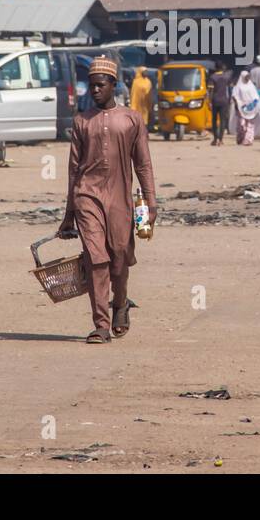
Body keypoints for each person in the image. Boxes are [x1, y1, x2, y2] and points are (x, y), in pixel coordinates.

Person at [57, 56, 158, 344]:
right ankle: (100, 324)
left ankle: (121, 303)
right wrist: (69, 212)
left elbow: (143, 164)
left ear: (114, 84)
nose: (95, 90)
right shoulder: (80, 121)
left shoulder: (131, 119)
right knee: (96, 259)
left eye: (101, 85)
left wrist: (151, 202)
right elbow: (73, 169)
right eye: (91, 86)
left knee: (118, 258)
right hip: (87, 197)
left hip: (120, 198)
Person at [231, 70, 260, 145]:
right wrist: (238, 104)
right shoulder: (238, 86)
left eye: (248, 77)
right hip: (241, 108)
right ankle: (240, 138)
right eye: (246, 77)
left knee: (250, 124)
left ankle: (248, 140)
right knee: (241, 124)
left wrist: (255, 104)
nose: (247, 78)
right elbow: (234, 96)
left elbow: (255, 97)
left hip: (251, 108)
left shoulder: (251, 86)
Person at [208, 61, 231, 145]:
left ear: (215, 68)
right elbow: (229, 89)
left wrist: (209, 102)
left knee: (214, 120)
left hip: (215, 100)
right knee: (223, 120)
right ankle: (221, 139)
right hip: (224, 101)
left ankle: (215, 139)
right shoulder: (226, 77)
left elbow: (211, 91)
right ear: (222, 68)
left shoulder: (213, 77)